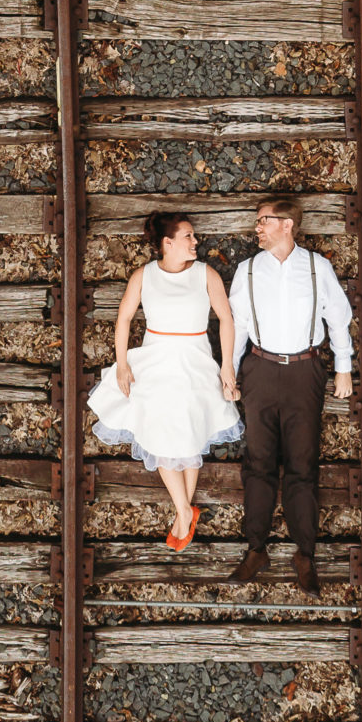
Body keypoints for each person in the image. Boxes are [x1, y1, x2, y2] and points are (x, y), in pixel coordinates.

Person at [86, 211, 242, 550]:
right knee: (159, 431)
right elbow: (124, 319)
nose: (195, 241)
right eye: (188, 236)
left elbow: (226, 321)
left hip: (196, 358)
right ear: (167, 243)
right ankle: (185, 510)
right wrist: (122, 363)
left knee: (190, 430)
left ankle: (184, 513)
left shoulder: (206, 274)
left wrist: (227, 367)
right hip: (155, 357)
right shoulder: (143, 275)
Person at [226, 190, 353, 597]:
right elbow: (238, 326)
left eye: (263, 220)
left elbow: (339, 320)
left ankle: (305, 553)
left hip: (305, 371)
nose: (257, 227)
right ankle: (256, 547)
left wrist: (343, 368)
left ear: (287, 224)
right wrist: (228, 370)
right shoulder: (246, 270)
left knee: (302, 463)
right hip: (260, 370)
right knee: (258, 461)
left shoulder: (317, 268)